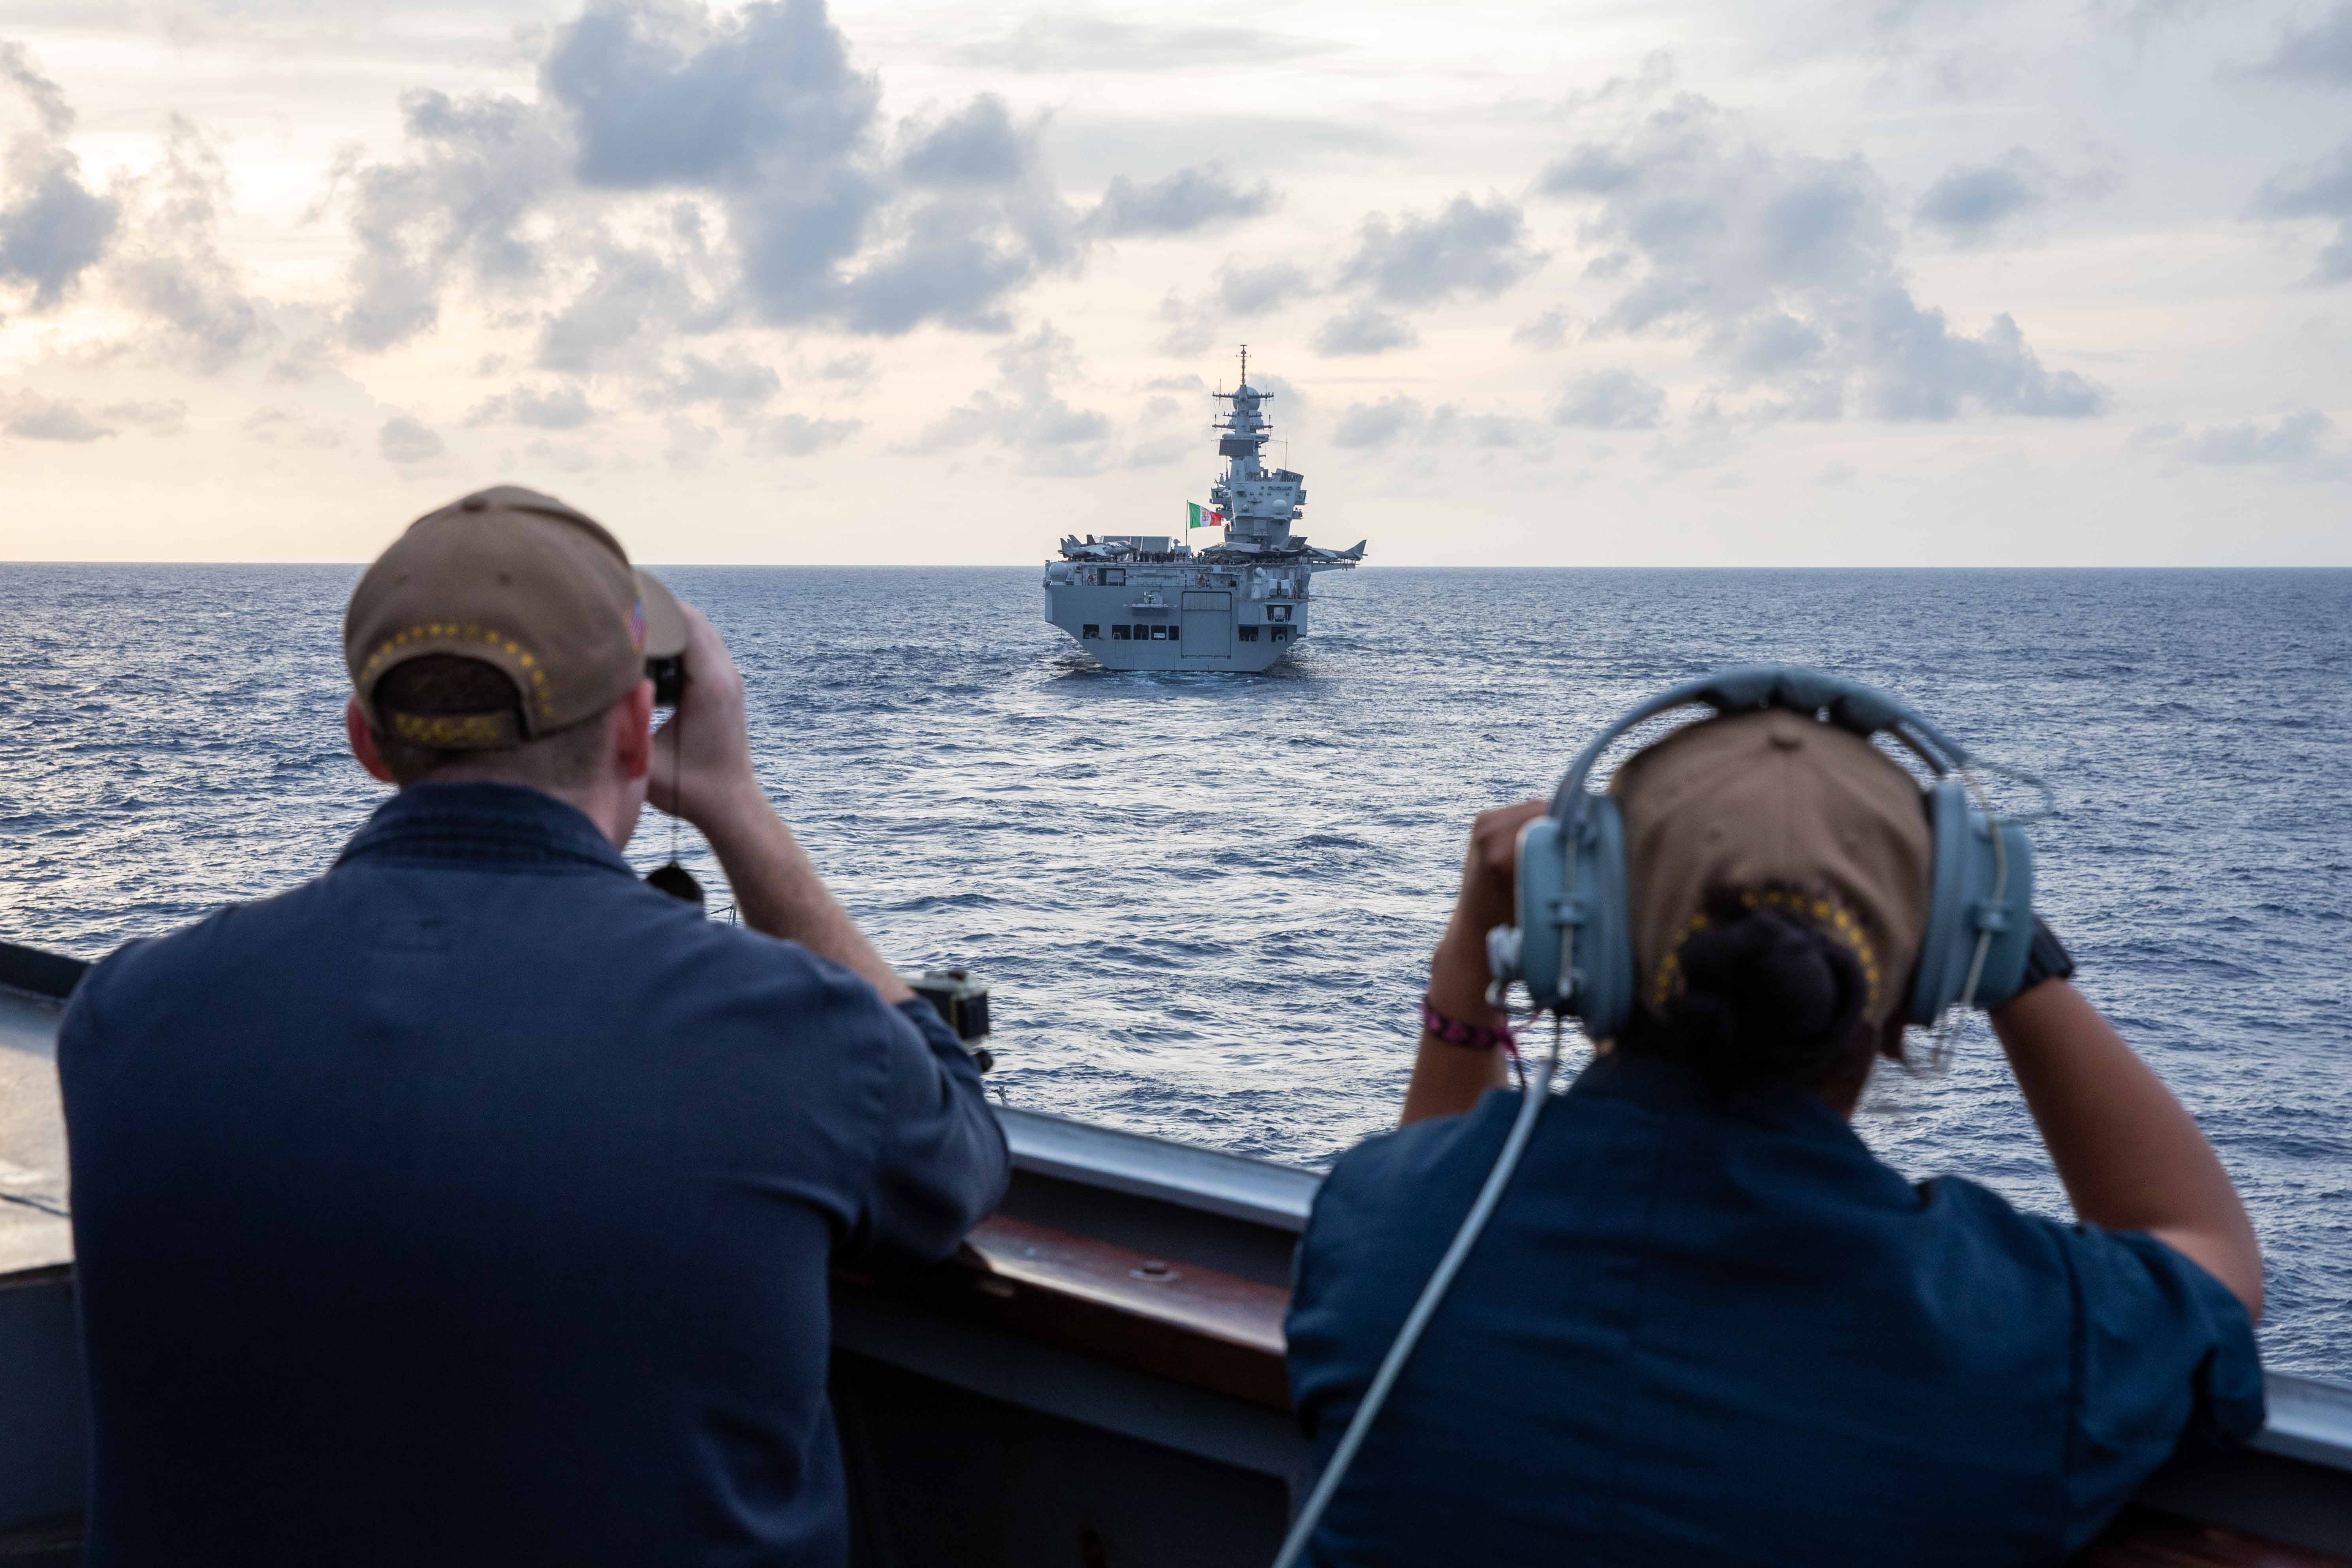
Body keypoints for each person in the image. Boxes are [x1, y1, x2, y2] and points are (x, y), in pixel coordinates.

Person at [58, 487, 1007, 1566]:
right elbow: (958, 1153)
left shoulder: (129, 1018)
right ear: (629, 731)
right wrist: (734, 800)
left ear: (368, 740)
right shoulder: (789, 1033)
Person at [1284, 701, 2265, 1566]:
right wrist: (2012, 952)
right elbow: (2207, 1252)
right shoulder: (2012, 1335)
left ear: (1573, 935)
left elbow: (1435, 1194)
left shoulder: (1380, 1218)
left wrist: (1470, 954)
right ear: (1924, 977)